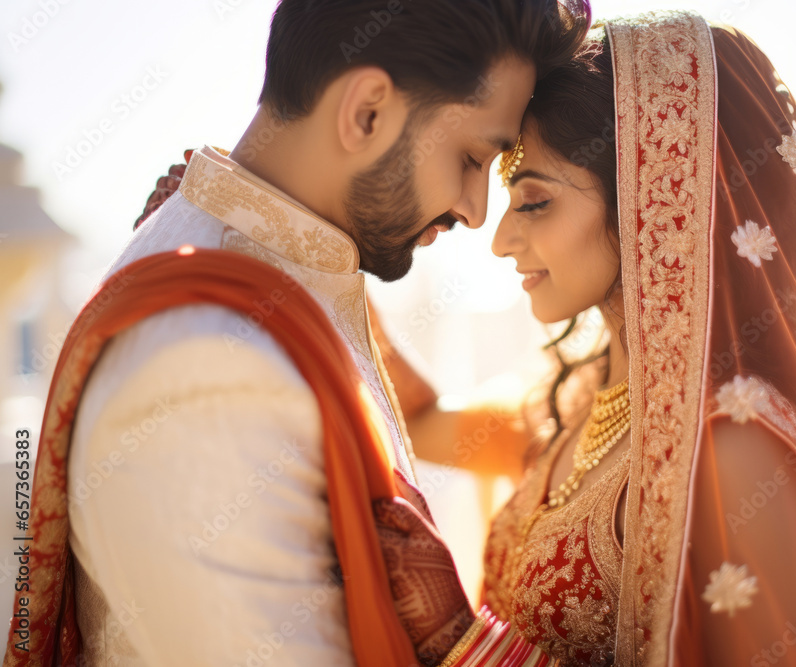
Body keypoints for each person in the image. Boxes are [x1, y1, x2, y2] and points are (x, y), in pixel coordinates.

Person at [4, 1, 591, 665]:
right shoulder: (209, 366)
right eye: (470, 157)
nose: (476, 210)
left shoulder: (283, 271)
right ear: (366, 112)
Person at [400, 11, 796, 666]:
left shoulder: (734, 451)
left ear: (654, 198)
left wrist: (464, 639)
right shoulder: (575, 404)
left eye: (534, 202)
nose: (501, 240)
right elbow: (416, 419)